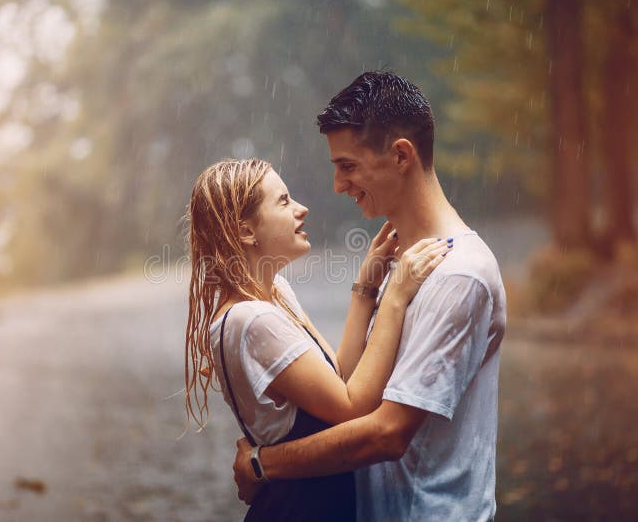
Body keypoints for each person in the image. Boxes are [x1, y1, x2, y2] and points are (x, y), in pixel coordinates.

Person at [232, 71, 507, 521]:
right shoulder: (404, 264)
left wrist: (263, 464)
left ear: (401, 155)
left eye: (348, 166)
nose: (338, 186)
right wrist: (365, 291)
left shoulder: (461, 275)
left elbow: (388, 433)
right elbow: (351, 395)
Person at [185, 157, 452, 521]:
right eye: (283, 201)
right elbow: (352, 406)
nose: (301, 209)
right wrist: (396, 296)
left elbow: (339, 379)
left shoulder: (275, 293)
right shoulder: (251, 319)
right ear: (246, 231)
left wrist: (366, 287)